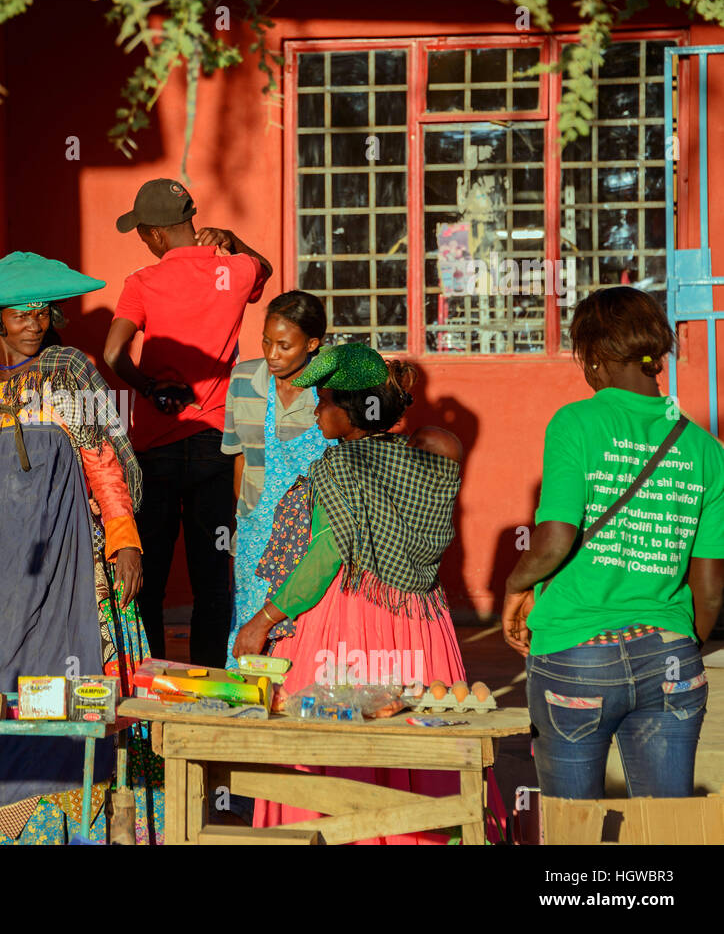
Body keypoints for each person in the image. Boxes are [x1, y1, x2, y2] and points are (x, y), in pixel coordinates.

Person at [0, 251, 164, 844]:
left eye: (42, 312)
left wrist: (124, 542)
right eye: (20, 314)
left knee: (57, 673)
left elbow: (104, 463)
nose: (34, 323)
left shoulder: (71, 371)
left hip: (58, 560)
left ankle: (64, 812)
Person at [232, 343, 468, 842]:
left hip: (345, 623)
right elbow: (444, 446)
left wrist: (262, 621)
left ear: (353, 412)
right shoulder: (422, 462)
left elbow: (322, 561)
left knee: (329, 744)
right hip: (418, 625)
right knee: (411, 741)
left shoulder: (337, 469)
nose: (316, 412)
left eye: (324, 402)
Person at [502, 286, 724, 799]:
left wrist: (516, 585)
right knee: (667, 830)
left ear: (597, 357)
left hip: (578, 655)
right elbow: (709, 591)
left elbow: (556, 540)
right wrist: (681, 648)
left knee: (573, 830)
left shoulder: (576, 423)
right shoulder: (705, 450)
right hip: (671, 655)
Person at [104, 177, 272, 668]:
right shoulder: (235, 271)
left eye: (141, 233)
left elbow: (114, 352)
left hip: (154, 448)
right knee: (212, 577)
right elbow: (262, 267)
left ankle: (151, 677)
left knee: (148, 580)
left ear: (155, 234)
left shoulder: (142, 282)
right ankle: (209, 683)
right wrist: (231, 239)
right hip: (216, 447)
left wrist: (150, 388)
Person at [221, 291, 334, 669]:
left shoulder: (332, 391)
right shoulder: (242, 381)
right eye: (266, 341)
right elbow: (239, 461)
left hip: (315, 538)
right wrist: (244, 523)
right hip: (257, 536)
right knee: (251, 640)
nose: (272, 354)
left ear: (313, 344)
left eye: (284, 346)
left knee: (306, 642)